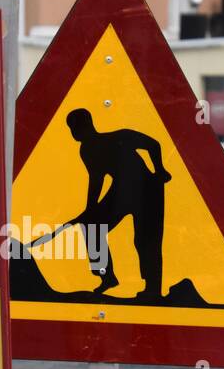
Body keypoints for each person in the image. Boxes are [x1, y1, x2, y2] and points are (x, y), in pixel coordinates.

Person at [65, 107, 171, 300]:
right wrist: (90, 209)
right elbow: (96, 179)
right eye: (71, 128)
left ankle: (153, 289)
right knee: (92, 226)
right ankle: (107, 276)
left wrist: (160, 170)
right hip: (121, 191)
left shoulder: (120, 137)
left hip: (147, 189)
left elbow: (153, 144)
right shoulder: (87, 150)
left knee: (146, 240)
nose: (74, 132)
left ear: (87, 125)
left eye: (76, 127)